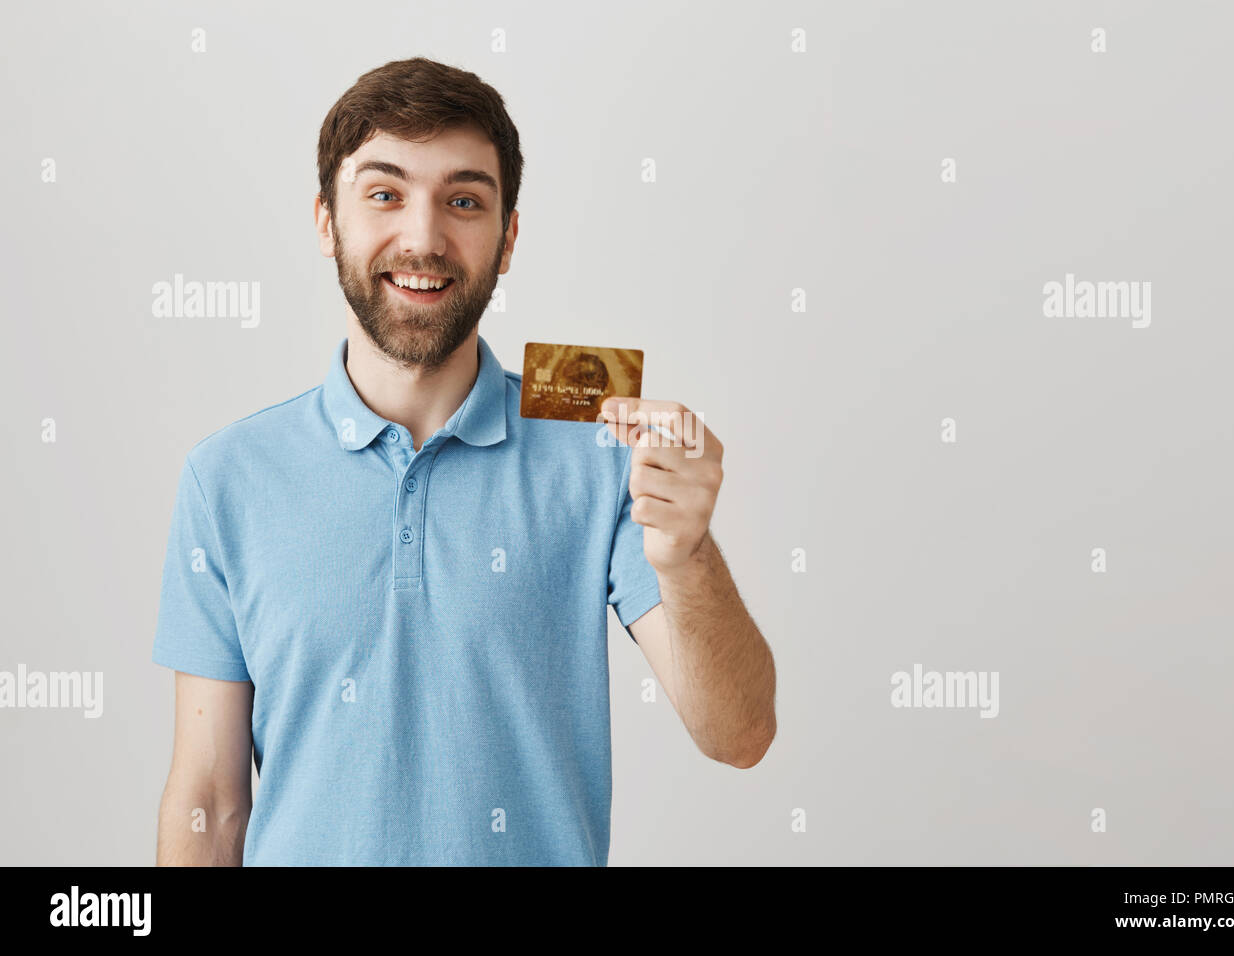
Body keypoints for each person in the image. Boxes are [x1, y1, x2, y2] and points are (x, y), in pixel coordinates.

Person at [152, 57, 776, 866]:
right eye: (384, 194)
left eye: (464, 201)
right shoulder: (226, 479)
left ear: (508, 237)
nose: (423, 237)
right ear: (324, 223)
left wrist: (687, 557)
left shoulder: (599, 455)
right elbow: (209, 800)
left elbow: (741, 735)